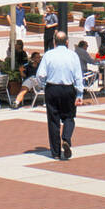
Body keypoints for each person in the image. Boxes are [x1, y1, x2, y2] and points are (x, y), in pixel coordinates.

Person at [36, 31, 84, 160]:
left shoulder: (48, 55)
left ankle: (56, 152)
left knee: (53, 120)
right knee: (69, 117)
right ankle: (66, 138)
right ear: (67, 42)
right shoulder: (73, 55)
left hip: (52, 88)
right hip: (68, 88)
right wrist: (80, 93)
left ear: (54, 42)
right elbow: (78, 76)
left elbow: (40, 75)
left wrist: (44, 85)